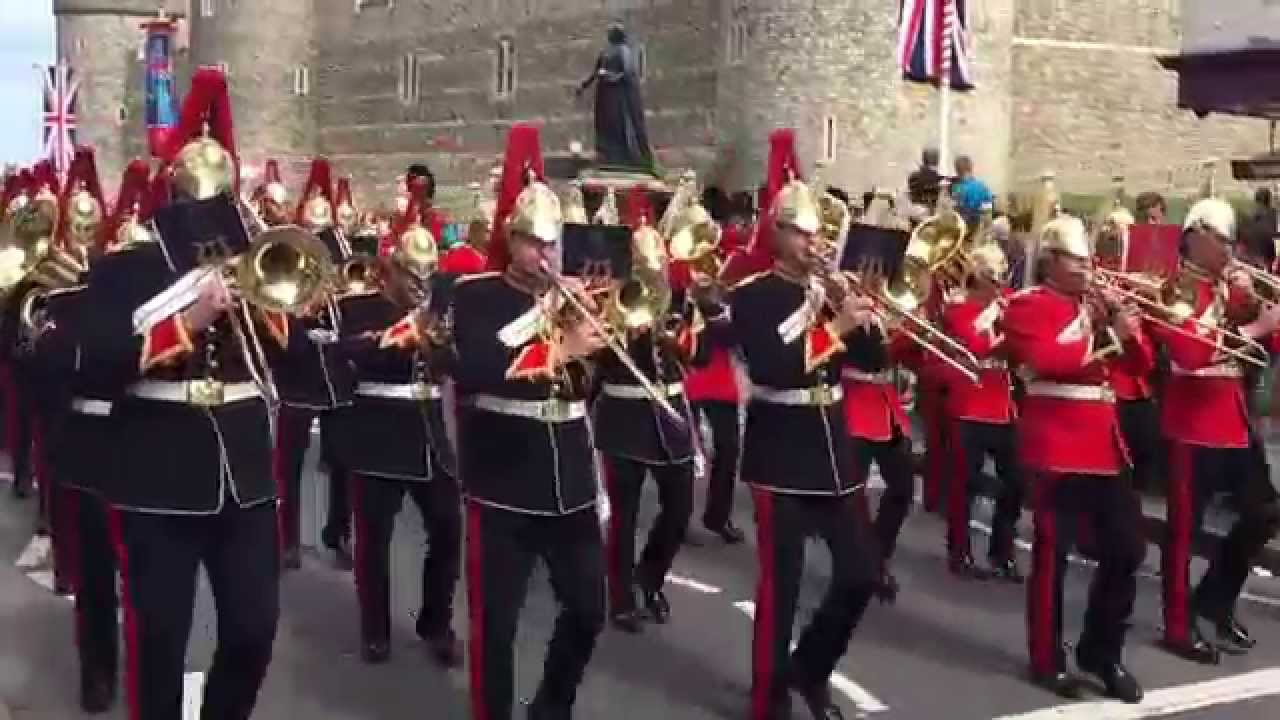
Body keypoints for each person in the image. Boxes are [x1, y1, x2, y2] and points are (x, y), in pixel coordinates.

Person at [79, 67, 289, 720]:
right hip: (159, 476)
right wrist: (188, 319)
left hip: (246, 476)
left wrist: (270, 301)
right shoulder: (128, 265)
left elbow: (293, 355)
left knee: (254, 631)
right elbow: (98, 361)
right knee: (161, 644)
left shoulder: (256, 257)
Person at [715, 129, 880, 720]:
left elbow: (872, 362)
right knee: (779, 588)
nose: (814, 243)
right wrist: (834, 329)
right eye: (802, 232)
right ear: (777, 233)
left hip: (831, 447)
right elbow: (774, 367)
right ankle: (768, 700)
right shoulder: (754, 294)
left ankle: (810, 668)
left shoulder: (827, 289)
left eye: (817, 233)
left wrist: (863, 316)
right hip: (779, 450)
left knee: (859, 575)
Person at [452, 123, 607, 720]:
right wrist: (562, 347)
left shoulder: (571, 298)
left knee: (588, 610)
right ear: (511, 240)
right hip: (503, 474)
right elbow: (481, 369)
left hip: (567, 471)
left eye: (552, 245)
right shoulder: (476, 294)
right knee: (497, 624)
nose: (545, 255)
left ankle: (552, 704)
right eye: (534, 244)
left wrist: (594, 340)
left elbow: (588, 386)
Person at [1002, 215, 1148, 703]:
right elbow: (1049, 361)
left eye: (1089, 260)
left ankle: (1101, 651)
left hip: (1104, 446)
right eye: (1076, 260)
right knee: (1051, 559)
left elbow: (1141, 366)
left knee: (1127, 550)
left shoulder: (1096, 307)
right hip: (1055, 444)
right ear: (1050, 261)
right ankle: (1046, 657)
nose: (1087, 269)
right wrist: (1105, 333)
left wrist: (1126, 327)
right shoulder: (1027, 306)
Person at [332, 175, 463, 667]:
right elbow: (343, 352)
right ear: (394, 270)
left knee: (448, 529)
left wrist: (443, 344)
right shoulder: (363, 302)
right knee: (374, 540)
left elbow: (456, 363)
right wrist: (390, 338)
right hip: (380, 429)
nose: (422, 281)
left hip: (429, 429)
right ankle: (375, 629)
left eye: (428, 272)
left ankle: (436, 619)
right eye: (414, 272)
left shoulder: (441, 305)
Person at [1152, 198, 1280, 665]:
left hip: (1232, 417)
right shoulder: (1175, 289)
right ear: (1196, 236)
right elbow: (1189, 352)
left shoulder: (1228, 285)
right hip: (1192, 419)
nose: (1231, 251)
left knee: (1264, 511)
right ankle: (1176, 624)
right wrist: (1254, 328)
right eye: (1223, 241)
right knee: (1183, 530)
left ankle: (1216, 598)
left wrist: (1254, 302)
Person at [595, 187, 708, 632]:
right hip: (623, 416)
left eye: (657, 259)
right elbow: (600, 363)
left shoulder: (681, 300)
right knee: (623, 516)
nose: (653, 267)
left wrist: (676, 335)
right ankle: (620, 596)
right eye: (644, 260)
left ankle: (651, 576)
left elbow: (698, 356)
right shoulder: (611, 299)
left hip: (670, 413)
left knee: (679, 509)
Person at [272, 157, 357, 570]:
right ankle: (286, 537)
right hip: (299, 378)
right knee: (288, 465)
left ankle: (338, 533)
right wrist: (302, 311)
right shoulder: (288, 258)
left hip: (336, 375)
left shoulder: (342, 253)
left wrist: (337, 299)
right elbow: (279, 328)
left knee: (343, 462)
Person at [939, 242, 1023, 580]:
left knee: (1016, 484)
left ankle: (1002, 551)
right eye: (994, 278)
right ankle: (959, 551)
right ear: (978, 278)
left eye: (1003, 277)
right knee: (965, 485)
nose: (1001, 284)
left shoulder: (1007, 307)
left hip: (1002, 404)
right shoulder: (958, 309)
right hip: (970, 402)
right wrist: (997, 316)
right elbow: (973, 344)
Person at [576, 23, 654, 171]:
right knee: (605, 126)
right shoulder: (605, 52)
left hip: (618, 96)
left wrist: (609, 76)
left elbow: (627, 73)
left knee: (619, 124)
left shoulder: (623, 51)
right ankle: (608, 155)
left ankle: (623, 157)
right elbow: (595, 71)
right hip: (604, 96)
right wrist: (584, 85)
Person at [951, 155, 994, 226]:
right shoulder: (982, 187)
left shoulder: (957, 188)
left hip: (964, 227)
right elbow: (988, 213)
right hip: (979, 226)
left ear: (957, 170)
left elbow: (955, 210)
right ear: (971, 168)